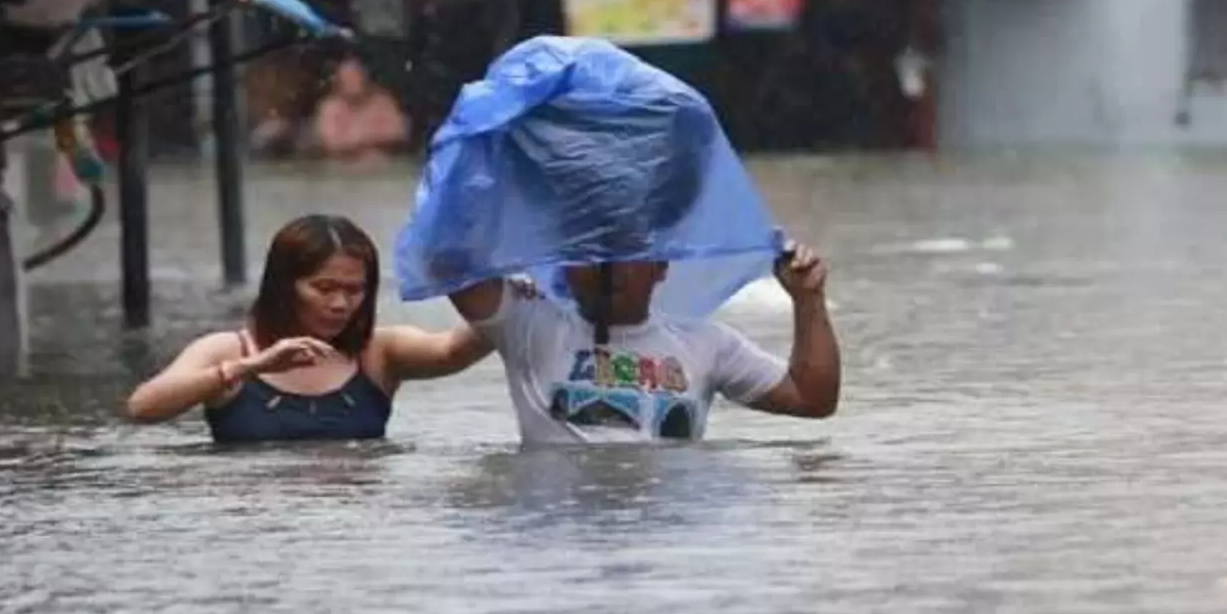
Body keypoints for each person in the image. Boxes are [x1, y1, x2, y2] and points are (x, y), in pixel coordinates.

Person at [124, 215, 509, 443]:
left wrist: (514, 294)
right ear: (284, 285)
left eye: (355, 290)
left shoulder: (379, 353)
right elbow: (142, 407)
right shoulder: (229, 351)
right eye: (324, 289)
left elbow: (455, 349)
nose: (341, 304)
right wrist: (250, 367)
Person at [446, 243, 840, 444]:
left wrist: (807, 300)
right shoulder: (527, 321)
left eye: (628, 254)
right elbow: (444, 260)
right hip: (561, 540)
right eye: (590, 253)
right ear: (563, 265)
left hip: (664, 542)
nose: (609, 268)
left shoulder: (706, 343)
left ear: (661, 266)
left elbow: (812, 398)